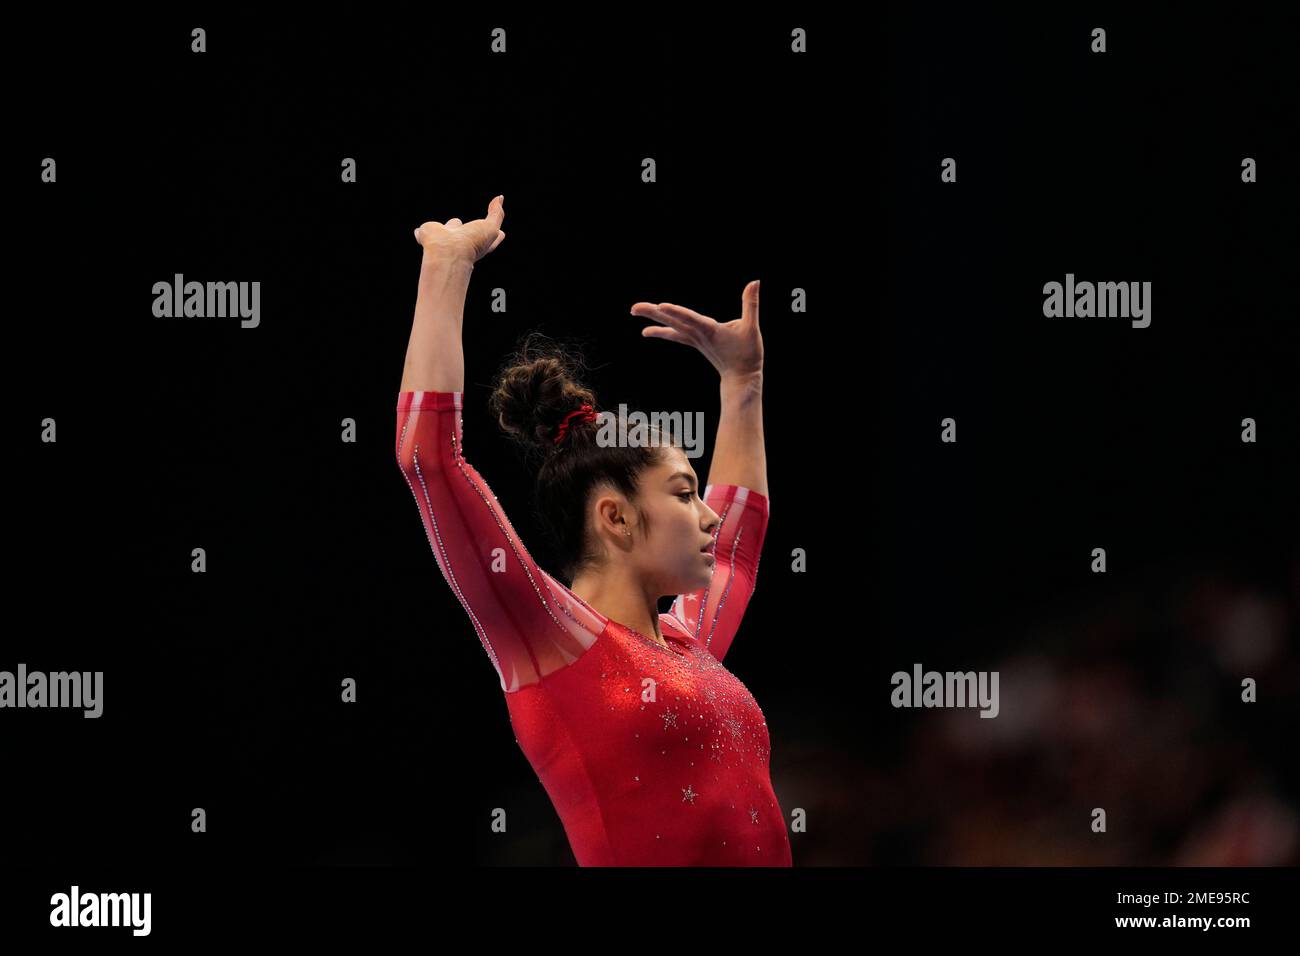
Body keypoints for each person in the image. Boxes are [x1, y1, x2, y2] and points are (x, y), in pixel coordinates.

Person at [394, 195, 788, 865]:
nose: (709, 515)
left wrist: (742, 383)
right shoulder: (550, 637)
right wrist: (447, 268)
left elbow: (737, 558)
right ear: (615, 516)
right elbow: (429, 459)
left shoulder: (689, 645)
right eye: (685, 494)